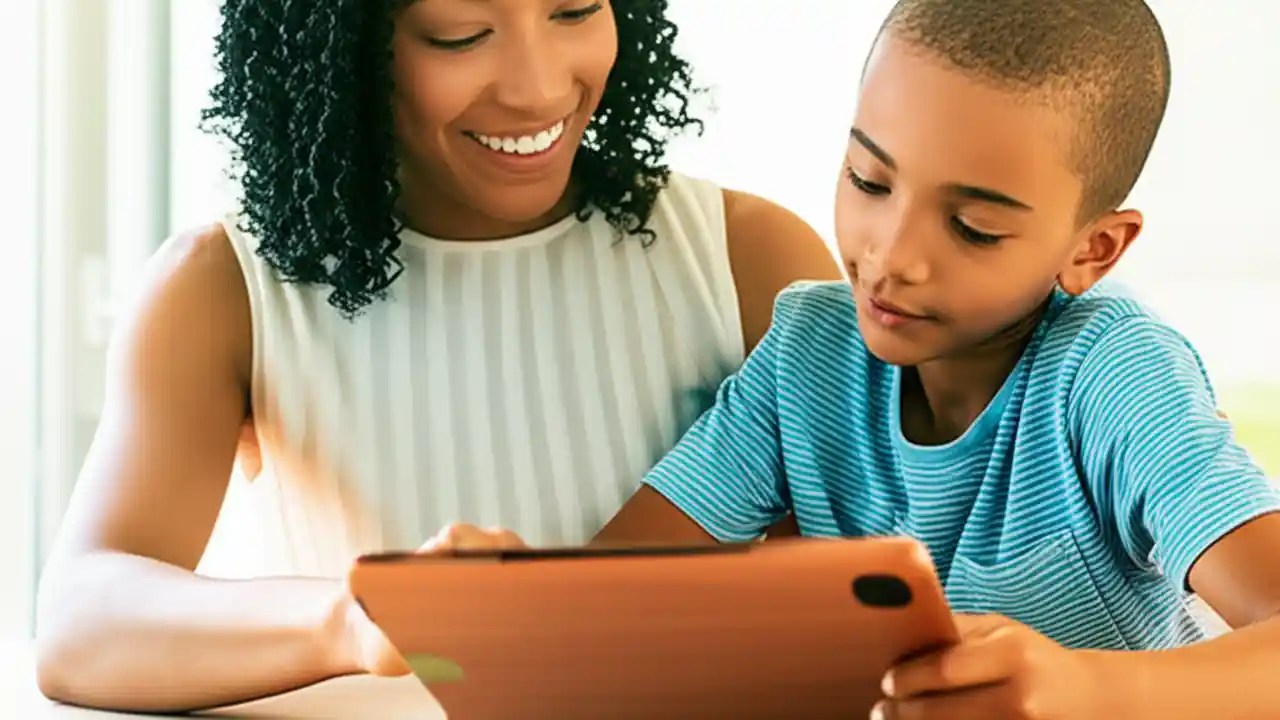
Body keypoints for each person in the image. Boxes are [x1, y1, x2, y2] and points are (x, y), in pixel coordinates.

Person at [32, 0, 838, 712]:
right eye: (461, 35)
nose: (540, 87)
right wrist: (352, 618)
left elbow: (857, 611)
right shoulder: (222, 290)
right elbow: (82, 623)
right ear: (344, 39)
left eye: (575, 10)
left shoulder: (749, 260)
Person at [595, 0, 1280, 718]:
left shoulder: (1113, 374)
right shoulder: (806, 354)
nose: (890, 258)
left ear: (1092, 249)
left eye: (972, 228)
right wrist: (497, 583)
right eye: (869, 181)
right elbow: (610, 592)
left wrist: (1086, 690)